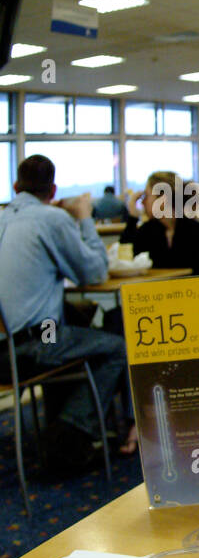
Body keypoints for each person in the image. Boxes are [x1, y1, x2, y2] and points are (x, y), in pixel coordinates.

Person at [0, 155, 133, 466]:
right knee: (117, 347)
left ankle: (70, 426)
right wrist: (84, 217)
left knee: (78, 316)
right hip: (35, 345)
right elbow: (95, 273)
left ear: (16, 186)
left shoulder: (4, 218)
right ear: (54, 189)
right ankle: (69, 432)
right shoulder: (51, 220)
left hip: (3, 349)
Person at [119, 172, 199, 276]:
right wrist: (133, 218)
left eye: (147, 196)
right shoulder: (146, 232)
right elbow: (123, 260)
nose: (143, 202)